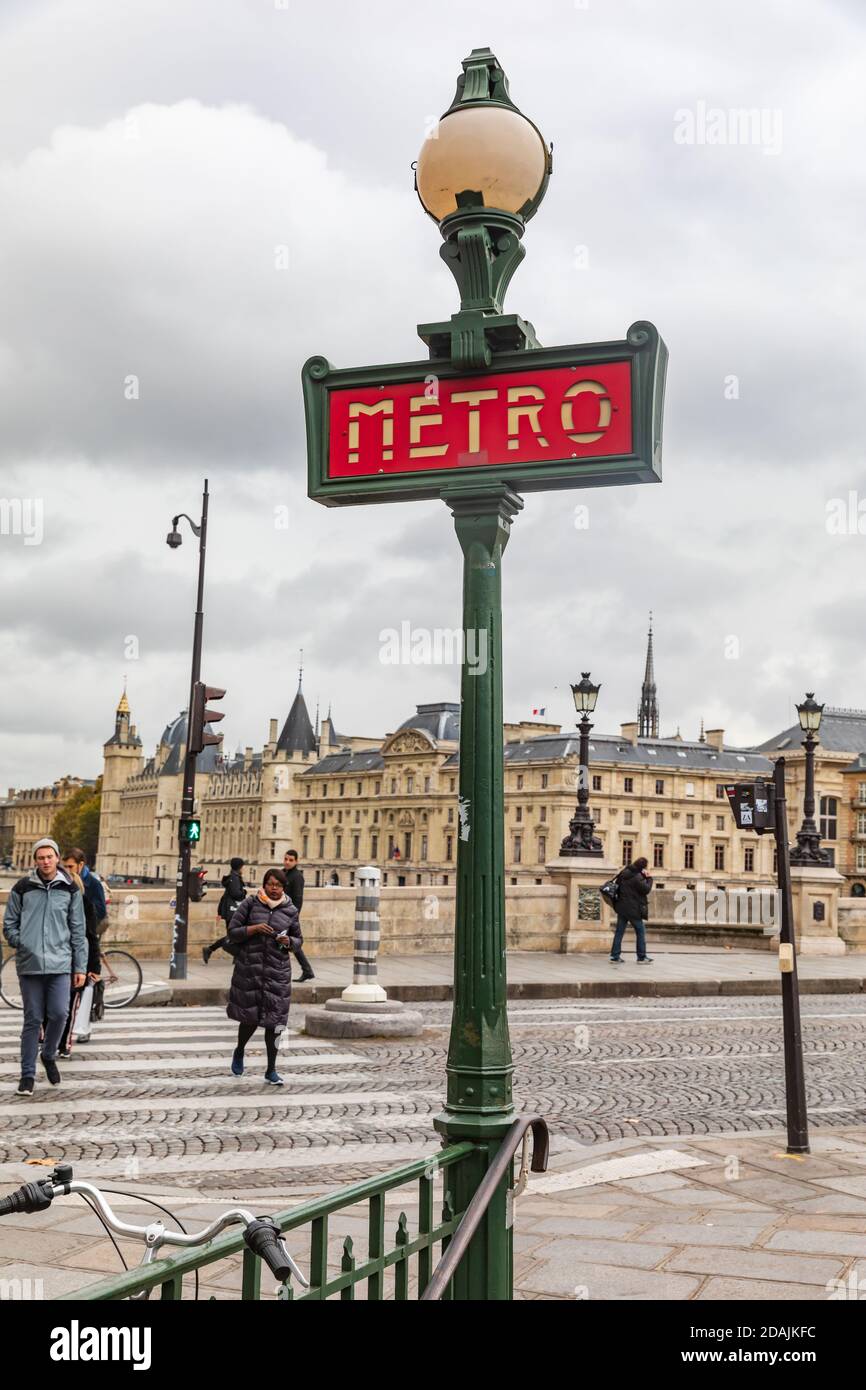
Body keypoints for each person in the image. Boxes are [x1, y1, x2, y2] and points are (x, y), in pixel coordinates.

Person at [2, 838, 86, 1095]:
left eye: (50, 857)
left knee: (60, 1013)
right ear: (35, 860)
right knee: (33, 1019)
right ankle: (27, 1076)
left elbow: (78, 930)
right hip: (30, 964)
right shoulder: (23, 887)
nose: (46, 861)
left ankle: (48, 1055)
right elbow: (9, 924)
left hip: (60, 963)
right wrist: (23, 942)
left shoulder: (70, 889)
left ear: (57, 858)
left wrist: (80, 967)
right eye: (41, 858)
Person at [225, 868, 302, 1085]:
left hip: (277, 972)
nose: (274, 889)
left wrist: (289, 942)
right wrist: (254, 928)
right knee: (249, 1018)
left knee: (275, 1022)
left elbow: (298, 940)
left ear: (283, 887)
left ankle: (271, 1069)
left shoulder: (290, 910)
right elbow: (233, 931)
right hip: (251, 969)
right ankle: (240, 1050)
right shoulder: (250, 904)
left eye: (278, 885)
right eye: (270, 884)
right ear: (264, 885)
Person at [58, 854, 102, 1057]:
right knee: (65, 1006)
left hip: (76, 962)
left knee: (67, 1005)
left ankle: (63, 1042)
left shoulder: (86, 904)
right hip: (65, 961)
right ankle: (59, 1042)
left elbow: (91, 937)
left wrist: (93, 968)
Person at [202, 857, 247, 964]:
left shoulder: (232, 877)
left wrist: (220, 911)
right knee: (234, 935)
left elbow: (225, 896)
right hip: (233, 911)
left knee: (235, 936)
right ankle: (210, 949)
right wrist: (244, 892)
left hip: (230, 911)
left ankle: (235, 957)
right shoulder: (235, 878)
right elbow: (236, 894)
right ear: (240, 867)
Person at [610, 856, 654, 964]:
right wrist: (649, 878)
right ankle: (641, 957)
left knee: (619, 932)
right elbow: (646, 890)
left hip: (621, 907)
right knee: (640, 931)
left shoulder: (624, 872)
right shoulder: (637, 877)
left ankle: (615, 956)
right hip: (633, 909)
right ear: (642, 867)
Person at [283, 848, 314, 983]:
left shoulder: (297, 876)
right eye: (286, 859)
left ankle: (307, 970)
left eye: (290, 860)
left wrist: (293, 917)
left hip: (289, 915)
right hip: (281, 913)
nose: (287, 862)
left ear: (296, 861)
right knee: (292, 944)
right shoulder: (283, 873)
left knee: (291, 943)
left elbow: (298, 899)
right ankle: (307, 970)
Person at [65, 847, 108, 937]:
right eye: (65, 866)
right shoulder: (65, 882)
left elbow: (101, 911)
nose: (67, 871)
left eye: (70, 867)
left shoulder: (94, 884)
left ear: (80, 865)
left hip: (87, 931)